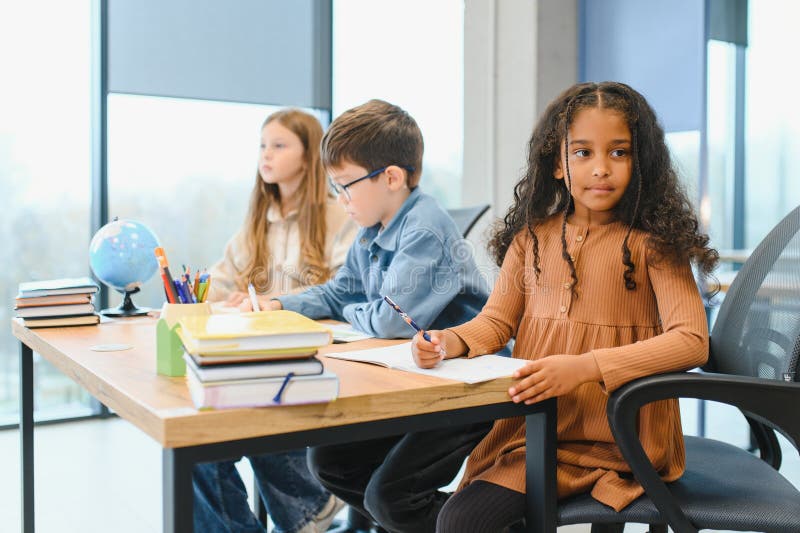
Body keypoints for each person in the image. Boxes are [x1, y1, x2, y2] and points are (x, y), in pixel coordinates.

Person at [411, 81, 719, 532]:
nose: (601, 168)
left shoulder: (655, 244)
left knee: (461, 522)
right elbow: (496, 322)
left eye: (619, 152)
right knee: (461, 516)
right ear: (557, 163)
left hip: (624, 438)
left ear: (642, 162)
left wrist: (584, 367)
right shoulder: (530, 239)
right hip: (538, 430)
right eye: (583, 153)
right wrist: (449, 341)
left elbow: (692, 342)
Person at [250, 99, 492, 533]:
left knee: (392, 497)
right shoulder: (372, 229)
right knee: (329, 461)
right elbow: (342, 289)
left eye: (346, 185)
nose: (340, 199)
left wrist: (347, 311)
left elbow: (390, 320)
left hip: (468, 381)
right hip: (415, 372)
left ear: (392, 178)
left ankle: (492, 525)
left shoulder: (423, 229)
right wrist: (280, 305)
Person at [193, 108, 357, 533]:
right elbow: (219, 280)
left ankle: (310, 500)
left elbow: (347, 292)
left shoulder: (339, 217)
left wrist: (273, 302)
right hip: (259, 361)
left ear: (308, 157)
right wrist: (211, 297)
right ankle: (304, 507)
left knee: (207, 440)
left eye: (279, 145)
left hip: (314, 362)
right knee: (196, 443)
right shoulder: (256, 225)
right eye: (262, 145)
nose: (266, 155)